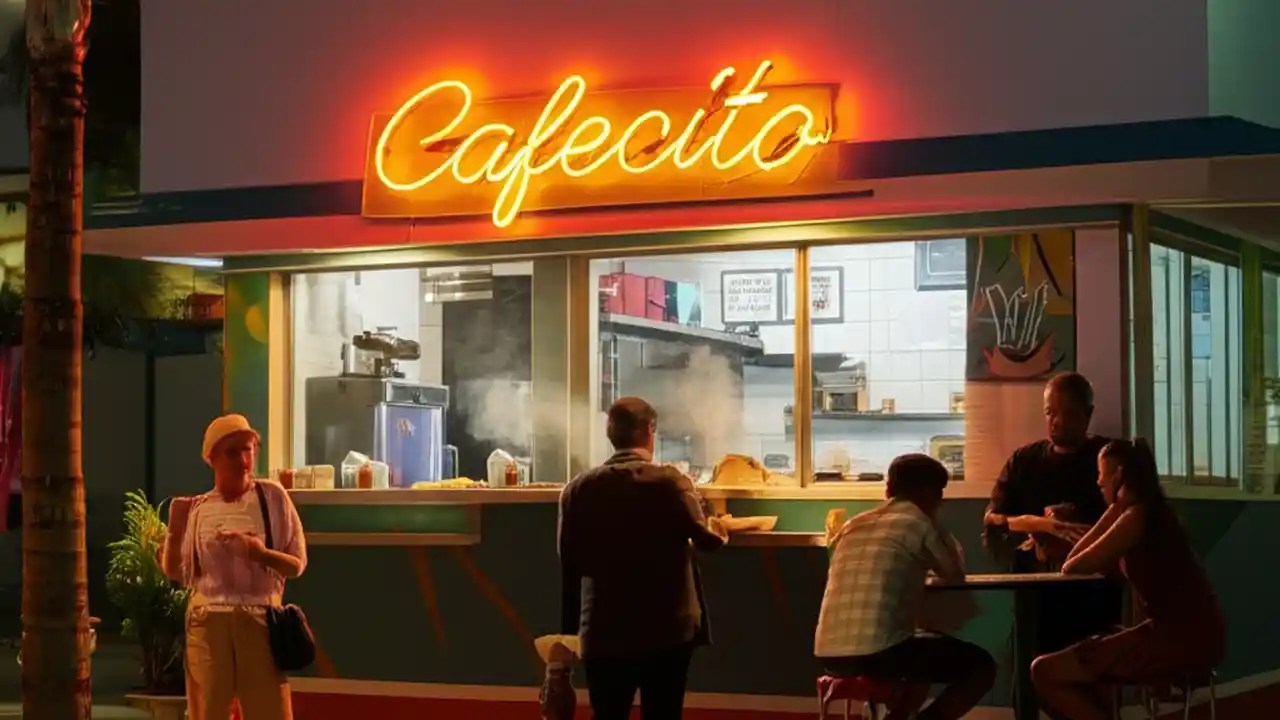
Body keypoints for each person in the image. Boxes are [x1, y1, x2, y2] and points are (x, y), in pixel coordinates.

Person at [558, 397, 728, 720]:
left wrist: (568, 640)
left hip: (602, 632)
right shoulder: (671, 481)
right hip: (668, 631)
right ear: (651, 431)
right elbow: (706, 541)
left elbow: (570, 567)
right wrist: (720, 528)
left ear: (611, 434)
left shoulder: (576, 490)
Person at [1031, 439, 1225, 720]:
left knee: (1043, 671)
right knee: (1090, 670)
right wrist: (1117, 504)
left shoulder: (1135, 517)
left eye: (1102, 474)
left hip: (1180, 638)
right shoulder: (1146, 511)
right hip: (1188, 631)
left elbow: (1072, 566)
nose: (1098, 482)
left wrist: (1113, 508)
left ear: (1119, 475)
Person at [815, 454, 996, 720]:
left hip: (829, 651)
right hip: (882, 649)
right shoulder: (918, 522)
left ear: (888, 489)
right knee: (982, 667)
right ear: (930, 494)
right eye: (939, 495)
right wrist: (938, 525)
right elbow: (953, 573)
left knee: (919, 656)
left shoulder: (854, 524)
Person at [161, 414, 307, 720]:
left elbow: (296, 565)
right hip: (208, 621)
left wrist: (260, 553)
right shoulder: (200, 507)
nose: (243, 459)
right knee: (209, 712)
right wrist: (175, 530)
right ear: (211, 457)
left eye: (249, 449)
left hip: (259, 620)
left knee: (270, 712)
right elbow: (177, 573)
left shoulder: (272, 497)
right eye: (232, 451)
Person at [982, 372, 1122, 652]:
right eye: (1050, 413)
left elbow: (1123, 520)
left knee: (1090, 664)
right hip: (1036, 592)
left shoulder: (1106, 459)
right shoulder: (1025, 461)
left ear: (1088, 413)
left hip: (1094, 590)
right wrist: (1036, 529)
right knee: (1033, 662)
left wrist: (1071, 529)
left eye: (1068, 413)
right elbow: (993, 521)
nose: (1057, 421)